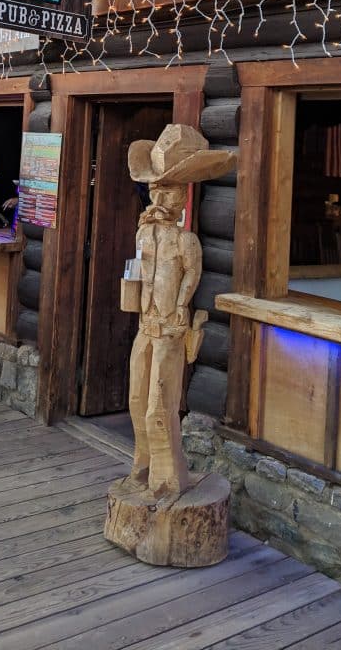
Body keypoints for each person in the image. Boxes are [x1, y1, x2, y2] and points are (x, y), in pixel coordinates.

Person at [125, 125, 235, 498]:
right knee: (137, 399)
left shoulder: (186, 240)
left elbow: (192, 276)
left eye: (169, 190)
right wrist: (135, 295)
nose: (160, 197)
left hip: (171, 327)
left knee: (160, 402)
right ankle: (141, 466)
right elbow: (137, 270)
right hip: (146, 324)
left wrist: (179, 307)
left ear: (184, 197)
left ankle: (167, 476)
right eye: (156, 188)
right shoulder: (143, 234)